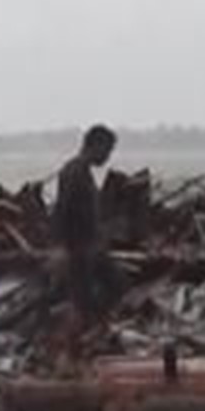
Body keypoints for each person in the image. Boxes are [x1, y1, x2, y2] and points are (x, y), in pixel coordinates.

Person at [53, 125, 117, 324]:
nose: (108, 157)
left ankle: (93, 328)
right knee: (85, 300)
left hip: (90, 248)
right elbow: (62, 209)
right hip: (79, 250)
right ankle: (83, 337)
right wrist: (61, 248)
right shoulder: (75, 171)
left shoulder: (81, 170)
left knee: (115, 284)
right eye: (107, 151)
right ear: (95, 145)